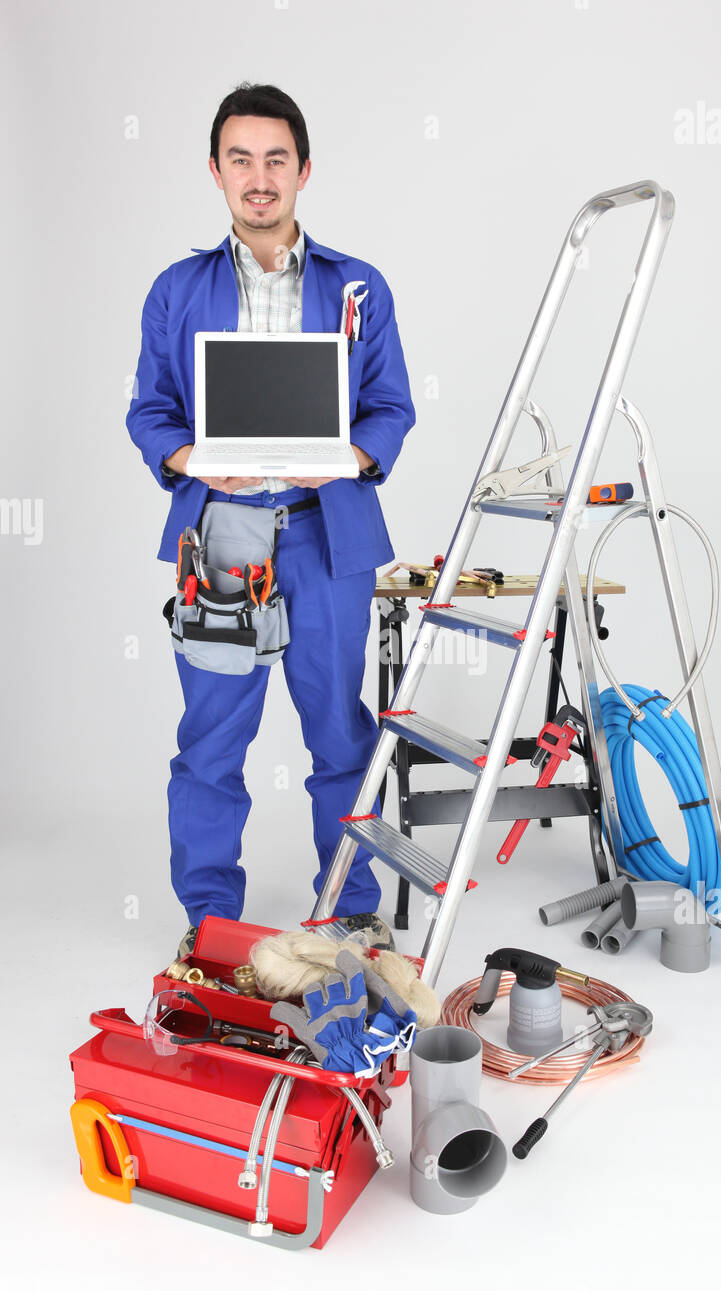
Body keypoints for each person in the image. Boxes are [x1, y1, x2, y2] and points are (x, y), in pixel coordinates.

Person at [126, 82, 415, 954]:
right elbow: (150, 412)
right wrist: (199, 460)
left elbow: (390, 409)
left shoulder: (358, 286)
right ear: (216, 172)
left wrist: (343, 457)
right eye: (241, 160)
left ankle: (349, 906)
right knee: (212, 740)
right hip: (222, 537)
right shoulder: (177, 291)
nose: (260, 178)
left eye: (276, 160)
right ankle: (210, 919)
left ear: (304, 170)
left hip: (327, 534)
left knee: (340, 730)